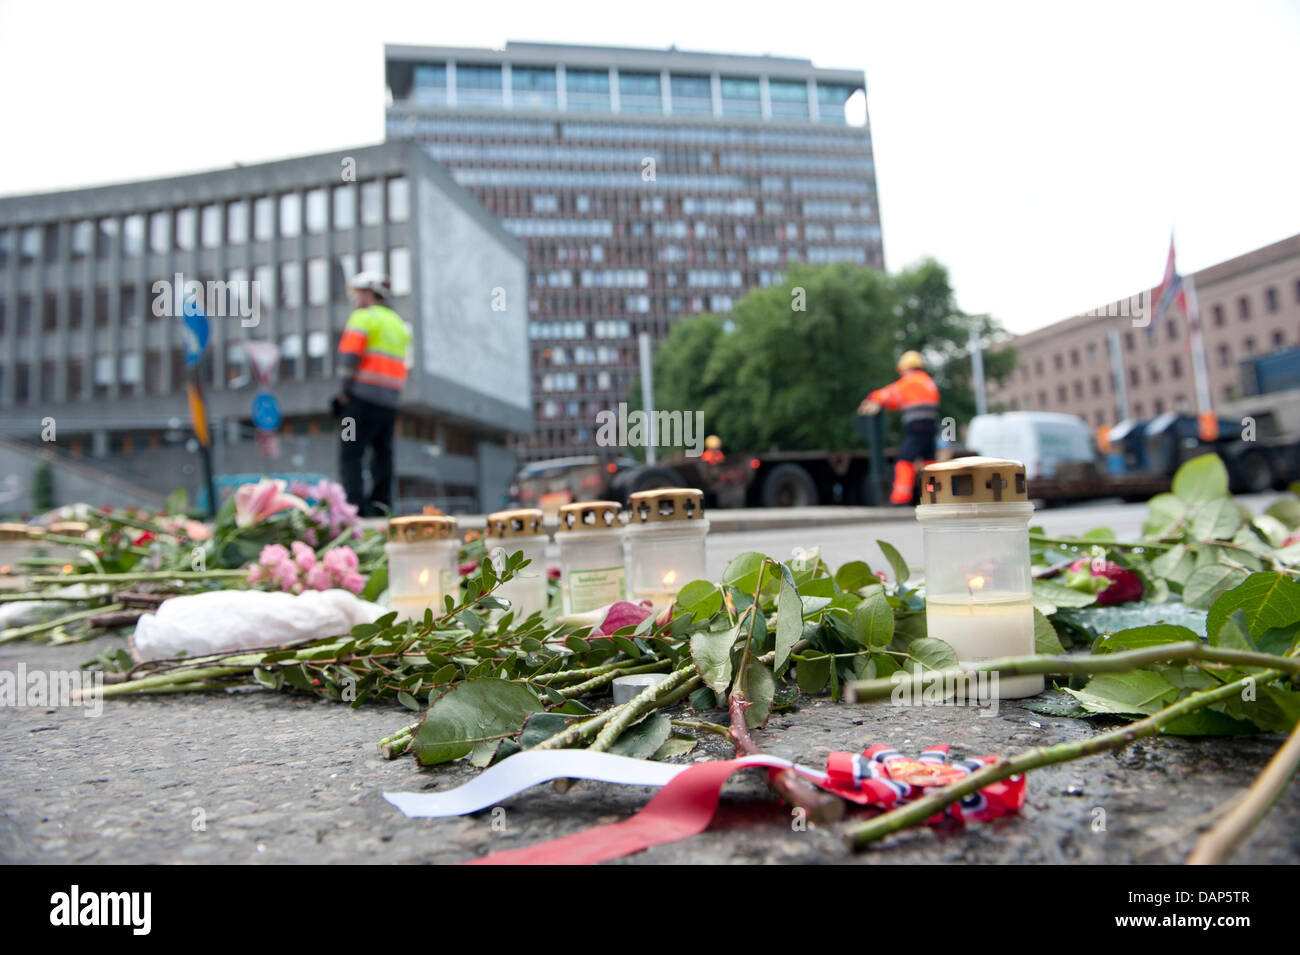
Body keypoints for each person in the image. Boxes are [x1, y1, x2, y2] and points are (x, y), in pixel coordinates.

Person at [335, 271, 411, 516]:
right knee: (383, 455)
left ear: (369, 293)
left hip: (359, 400)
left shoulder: (363, 318)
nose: (356, 299)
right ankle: (382, 507)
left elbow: (349, 358)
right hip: (389, 403)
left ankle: (355, 508)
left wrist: (344, 392)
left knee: (349, 451)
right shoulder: (398, 324)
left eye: (357, 294)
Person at [858, 350, 940, 505]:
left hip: (917, 427)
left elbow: (889, 394)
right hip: (929, 427)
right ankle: (933, 495)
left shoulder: (911, 381)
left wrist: (871, 399)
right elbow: (901, 401)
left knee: (904, 461)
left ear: (907, 367)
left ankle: (901, 498)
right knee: (929, 464)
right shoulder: (928, 382)